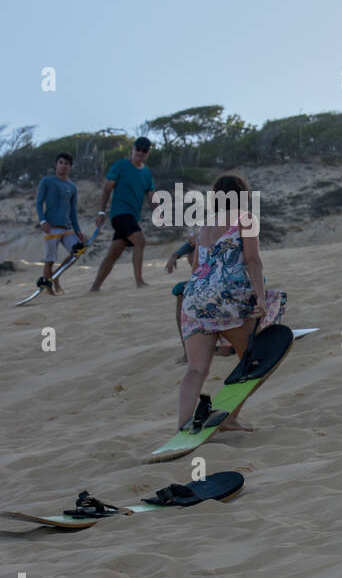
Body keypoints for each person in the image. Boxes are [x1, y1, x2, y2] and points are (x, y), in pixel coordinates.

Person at [176, 173, 286, 431]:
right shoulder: (245, 220)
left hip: (194, 297)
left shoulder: (204, 227)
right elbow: (252, 260)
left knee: (195, 369)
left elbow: (196, 268)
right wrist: (260, 296)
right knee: (251, 360)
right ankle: (229, 417)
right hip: (228, 297)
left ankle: (183, 424)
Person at [90, 137, 158, 291]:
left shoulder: (146, 172)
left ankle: (94, 288)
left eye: (144, 150)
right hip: (119, 214)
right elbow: (107, 189)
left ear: (148, 153)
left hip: (132, 216)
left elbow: (151, 194)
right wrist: (101, 212)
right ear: (133, 149)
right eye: (138, 148)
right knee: (140, 241)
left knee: (114, 252)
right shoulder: (120, 165)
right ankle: (140, 282)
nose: (140, 152)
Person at [33, 152, 86, 293]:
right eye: (61, 162)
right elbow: (39, 203)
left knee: (77, 252)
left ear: (70, 167)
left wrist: (78, 230)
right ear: (56, 164)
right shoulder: (47, 181)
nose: (63, 166)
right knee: (50, 260)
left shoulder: (72, 187)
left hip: (67, 228)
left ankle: (56, 276)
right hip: (51, 227)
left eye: (67, 164)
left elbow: (73, 211)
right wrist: (42, 220)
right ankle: (49, 290)